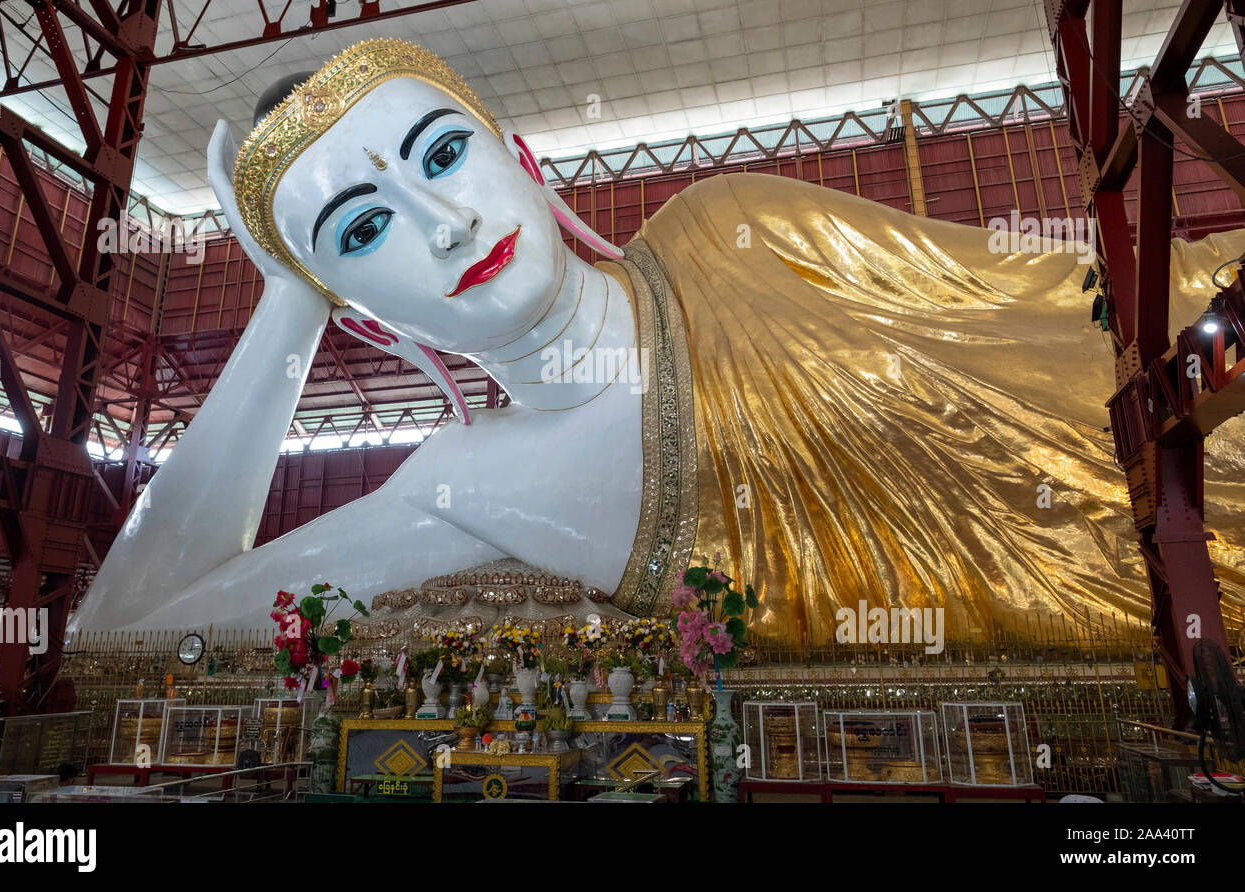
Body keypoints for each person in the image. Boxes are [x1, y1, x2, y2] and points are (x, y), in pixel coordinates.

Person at [71, 38, 1245, 652]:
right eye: (364, 229)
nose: (444, 224)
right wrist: (288, 299)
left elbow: (1036, 294)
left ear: (523, 163)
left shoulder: (739, 226)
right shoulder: (464, 485)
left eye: (442, 155)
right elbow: (124, 633)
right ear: (368, 316)